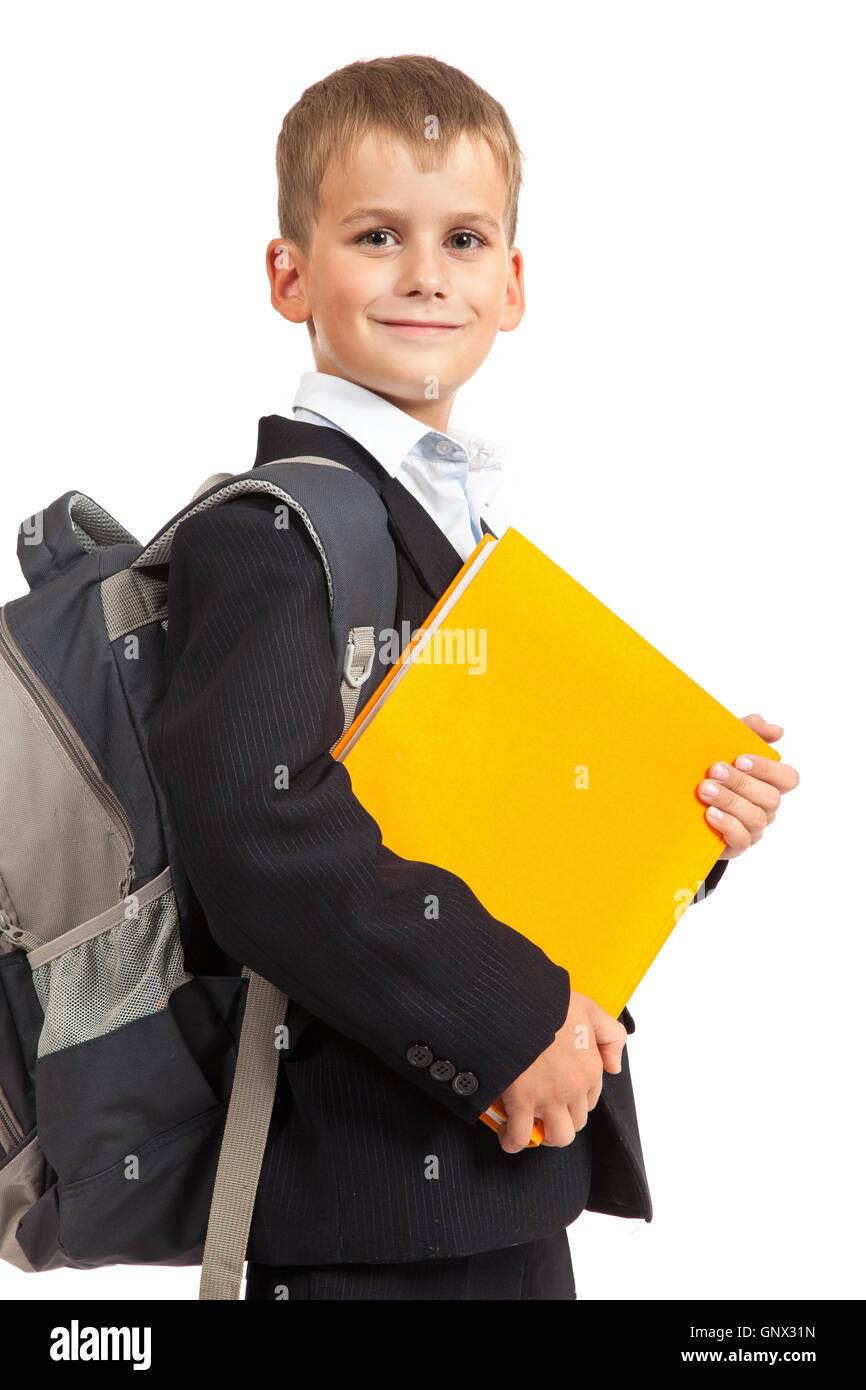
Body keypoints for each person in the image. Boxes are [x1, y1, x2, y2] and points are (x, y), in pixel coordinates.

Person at [148, 53, 798, 1301]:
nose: (424, 274)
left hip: (499, 1181)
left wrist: (681, 824)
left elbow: (488, 815)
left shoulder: (455, 528)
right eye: (376, 235)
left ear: (512, 285)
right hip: (361, 1212)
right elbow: (262, 837)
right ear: (289, 275)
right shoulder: (270, 532)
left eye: (462, 237)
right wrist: (516, 1024)